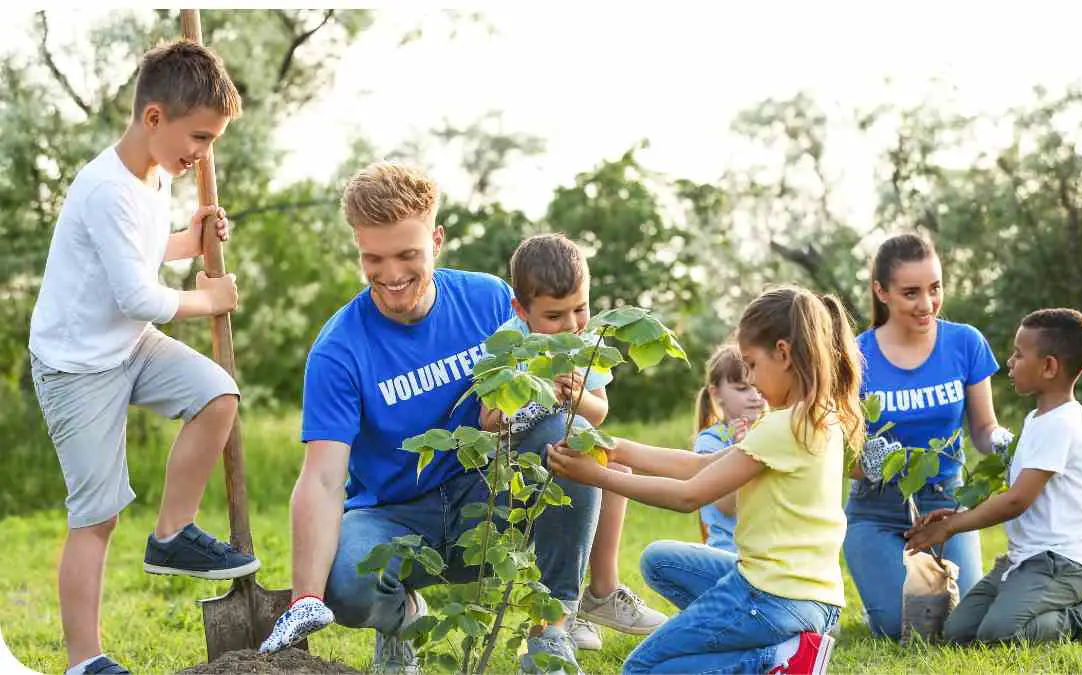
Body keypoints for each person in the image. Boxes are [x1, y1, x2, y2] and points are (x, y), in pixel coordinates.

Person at [257, 162, 601, 675]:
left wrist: (520, 409)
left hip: (485, 494)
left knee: (573, 436)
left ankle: (553, 625)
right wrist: (305, 596)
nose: (391, 275)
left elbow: (558, 384)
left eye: (407, 255)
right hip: (393, 515)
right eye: (373, 258)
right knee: (346, 583)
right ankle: (402, 622)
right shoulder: (339, 350)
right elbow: (323, 477)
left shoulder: (487, 301)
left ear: (436, 240)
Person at [27, 39, 253, 675]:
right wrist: (208, 299)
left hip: (125, 343)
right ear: (154, 117)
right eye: (200, 137)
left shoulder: (154, 177)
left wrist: (195, 236)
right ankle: (85, 661)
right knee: (96, 517)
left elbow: (145, 252)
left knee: (217, 394)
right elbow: (138, 295)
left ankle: (172, 535)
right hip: (77, 365)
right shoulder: (104, 187)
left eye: (210, 142)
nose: (202, 154)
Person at [549, 286, 858, 675]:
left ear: (783, 352)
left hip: (772, 595)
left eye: (751, 364)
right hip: (815, 600)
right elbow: (705, 465)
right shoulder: (816, 417)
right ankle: (782, 645)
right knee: (660, 561)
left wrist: (597, 476)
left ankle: (776, 661)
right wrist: (615, 448)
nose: (749, 379)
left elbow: (688, 496)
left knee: (640, 669)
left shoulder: (783, 427)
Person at [904, 308, 1082, 642]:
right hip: (1023, 559)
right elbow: (1016, 491)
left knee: (999, 635)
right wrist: (958, 513)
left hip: (1060, 562)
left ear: (1049, 366)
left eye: (1019, 355)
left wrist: (950, 527)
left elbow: (1017, 500)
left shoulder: (1062, 423)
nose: (1009, 362)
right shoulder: (1037, 418)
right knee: (958, 632)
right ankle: (1030, 597)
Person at [485, 234, 666, 652]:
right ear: (521, 310)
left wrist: (577, 395)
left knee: (614, 467)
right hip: (515, 466)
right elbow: (489, 419)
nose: (570, 324)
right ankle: (563, 612)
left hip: (569, 453)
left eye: (580, 309)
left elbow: (598, 411)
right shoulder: (508, 344)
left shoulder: (586, 344)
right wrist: (539, 388)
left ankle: (598, 595)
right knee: (580, 447)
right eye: (553, 315)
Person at [843, 233, 1011, 640]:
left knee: (957, 626)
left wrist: (1009, 445)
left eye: (934, 289)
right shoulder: (855, 356)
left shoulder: (965, 343)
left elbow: (984, 429)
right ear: (881, 292)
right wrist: (869, 462)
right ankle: (883, 594)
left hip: (946, 507)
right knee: (899, 628)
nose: (927, 304)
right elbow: (844, 457)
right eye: (911, 293)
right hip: (876, 511)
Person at [691, 343, 764, 553]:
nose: (754, 396)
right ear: (716, 394)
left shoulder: (772, 431)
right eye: (742, 388)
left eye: (758, 387)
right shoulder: (710, 441)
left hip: (768, 556)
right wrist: (746, 449)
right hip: (728, 554)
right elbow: (728, 506)